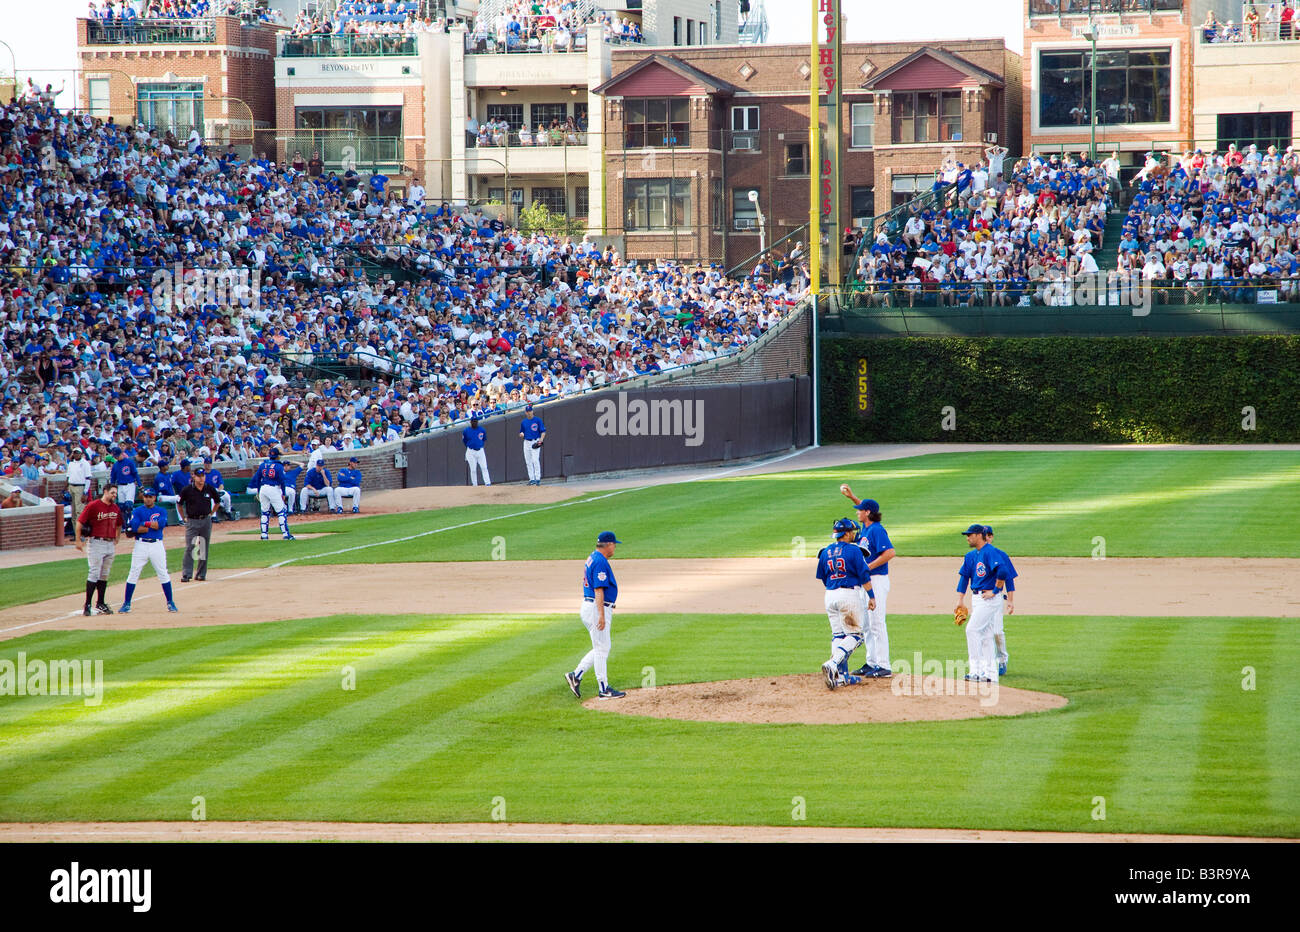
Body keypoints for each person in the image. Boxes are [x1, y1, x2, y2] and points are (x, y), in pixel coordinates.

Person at [563, 531, 627, 700]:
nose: (614, 548)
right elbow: (599, 590)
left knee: (602, 647)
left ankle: (576, 676)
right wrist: (601, 615)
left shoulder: (593, 557)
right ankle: (603, 689)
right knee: (601, 649)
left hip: (591, 606)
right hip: (595, 608)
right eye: (614, 545)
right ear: (608, 545)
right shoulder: (599, 562)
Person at [839, 488, 896, 677]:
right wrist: (852, 496)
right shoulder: (867, 528)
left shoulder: (877, 530)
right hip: (868, 582)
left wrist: (868, 567)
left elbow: (890, 553)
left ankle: (884, 665)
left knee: (877, 622)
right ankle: (872, 662)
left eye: (860, 509)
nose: (857, 511)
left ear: (868, 513)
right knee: (867, 624)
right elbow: (866, 506)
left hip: (877, 580)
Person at [816, 518, 877, 690]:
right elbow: (864, 576)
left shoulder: (825, 551)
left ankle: (841, 677)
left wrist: (833, 591)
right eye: (853, 531)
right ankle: (833, 663)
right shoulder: (854, 550)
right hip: (848, 595)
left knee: (838, 636)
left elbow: (822, 576)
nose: (854, 534)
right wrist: (871, 596)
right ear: (847, 533)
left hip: (829, 595)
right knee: (856, 636)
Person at [954, 523, 1011, 683]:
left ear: (980, 535)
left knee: (972, 630)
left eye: (970, 535)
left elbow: (1003, 571)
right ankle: (990, 674)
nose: (968, 538)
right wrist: (960, 600)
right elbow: (964, 577)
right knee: (986, 636)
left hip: (989, 598)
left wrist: (995, 590)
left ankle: (976, 671)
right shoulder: (973, 555)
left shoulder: (989, 552)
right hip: (977, 598)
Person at [120, 488, 177, 613]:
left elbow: (160, 525)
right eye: (146, 496)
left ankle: (170, 602)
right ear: (143, 497)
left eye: (150, 497)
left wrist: (144, 524)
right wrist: (149, 525)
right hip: (141, 545)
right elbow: (134, 526)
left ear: (154, 498)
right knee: (133, 573)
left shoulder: (161, 510)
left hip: (157, 545)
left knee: (163, 573)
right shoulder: (138, 510)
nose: (148, 499)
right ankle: (127, 603)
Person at [75, 483, 122, 617]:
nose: (114, 495)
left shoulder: (115, 508)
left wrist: (117, 537)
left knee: (104, 574)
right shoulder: (93, 506)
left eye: (115, 493)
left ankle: (100, 602)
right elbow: (80, 522)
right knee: (94, 572)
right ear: (105, 491)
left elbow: (119, 524)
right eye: (112, 492)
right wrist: (78, 540)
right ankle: (87, 604)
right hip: (96, 542)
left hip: (109, 544)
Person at [982, 525, 1018, 676]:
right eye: (984, 536)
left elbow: (1008, 578)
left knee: (996, 631)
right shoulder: (975, 555)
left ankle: (1002, 659)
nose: (986, 538)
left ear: (991, 537)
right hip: (980, 599)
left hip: (996, 599)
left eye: (988, 536)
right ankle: (985, 665)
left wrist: (1010, 600)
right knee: (981, 633)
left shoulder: (1001, 555)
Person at [178, 465, 220, 583]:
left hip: (206, 520)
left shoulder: (209, 488)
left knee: (203, 547)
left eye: (203, 476)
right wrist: (184, 518)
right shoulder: (187, 490)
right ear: (194, 477)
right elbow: (179, 504)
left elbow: (217, 502)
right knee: (190, 547)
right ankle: (186, 574)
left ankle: (201, 574)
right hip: (192, 520)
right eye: (199, 476)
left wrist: (211, 513)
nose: (201, 479)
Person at [249, 448, 295, 541]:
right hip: (273, 488)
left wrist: (258, 491)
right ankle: (286, 534)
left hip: (263, 488)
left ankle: (264, 535)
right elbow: (282, 481)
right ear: (277, 456)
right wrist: (283, 493)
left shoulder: (263, 465)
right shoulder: (279, 466)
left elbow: (257, 478)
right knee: (281, 512)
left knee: (265, 512)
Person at [518, 403, 545, 486]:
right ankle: (532, 479)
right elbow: (521, 432)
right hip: (526, 442)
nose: (529, 412)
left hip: (535, 441)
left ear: (532, 411)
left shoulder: (537, 420)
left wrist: (540, 440)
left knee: (535, 460)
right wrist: (521, 434)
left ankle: (537, 479)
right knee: (528, 461)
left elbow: (543, 432)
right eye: (528, 411)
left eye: (530, 411)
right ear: (526, 412)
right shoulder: (524, 422)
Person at [109, 449, 139, 521]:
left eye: (117, 456)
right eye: (115, 456)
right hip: (120, 486)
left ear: (121, 454)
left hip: (129, 485)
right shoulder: (115, 465)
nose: (116, 457)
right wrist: (112, 488)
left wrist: (140, 484)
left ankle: (131, 522)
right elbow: (113, 478)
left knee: (128, 505)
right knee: (121, 507)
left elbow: (135, 474)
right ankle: (124, 524)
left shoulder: (129, 462)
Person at [462, 413, 491, 486]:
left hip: (480, 451)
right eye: (473, 421)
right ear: (470, 422)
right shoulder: (466, 430)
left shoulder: (482, 430)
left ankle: (488, 483)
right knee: (473, 470)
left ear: (477, 422)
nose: (474, 422)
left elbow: (484, 439)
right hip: (471, 451)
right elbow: (464, 441)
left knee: (484, 467)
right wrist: (470, 446)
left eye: (476, 421)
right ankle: (475, 484)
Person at [203, 456, 234, 520]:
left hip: (216, 490)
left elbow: (221, 484)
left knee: (226, 496)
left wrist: (219, 491)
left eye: (209, 463)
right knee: (211, 499)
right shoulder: (201, 473)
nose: (208, 465)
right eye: (207, 463)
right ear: (204, 464)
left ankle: (228, 511)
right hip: (206, 491)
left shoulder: (216, 472)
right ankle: (213, 516)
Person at [67, 446, 94, 517]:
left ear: (81, 454)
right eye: (75, 453)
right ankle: (75, 527)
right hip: (71, 486)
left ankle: (80, 527)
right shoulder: (71, 463)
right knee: (73, 510)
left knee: (79, 510)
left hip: (80, 487)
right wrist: (66, 488)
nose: (76, 454)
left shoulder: (85, 463)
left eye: (78, 453)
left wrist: (85, 492)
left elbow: (88, 478)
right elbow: (68, 476)